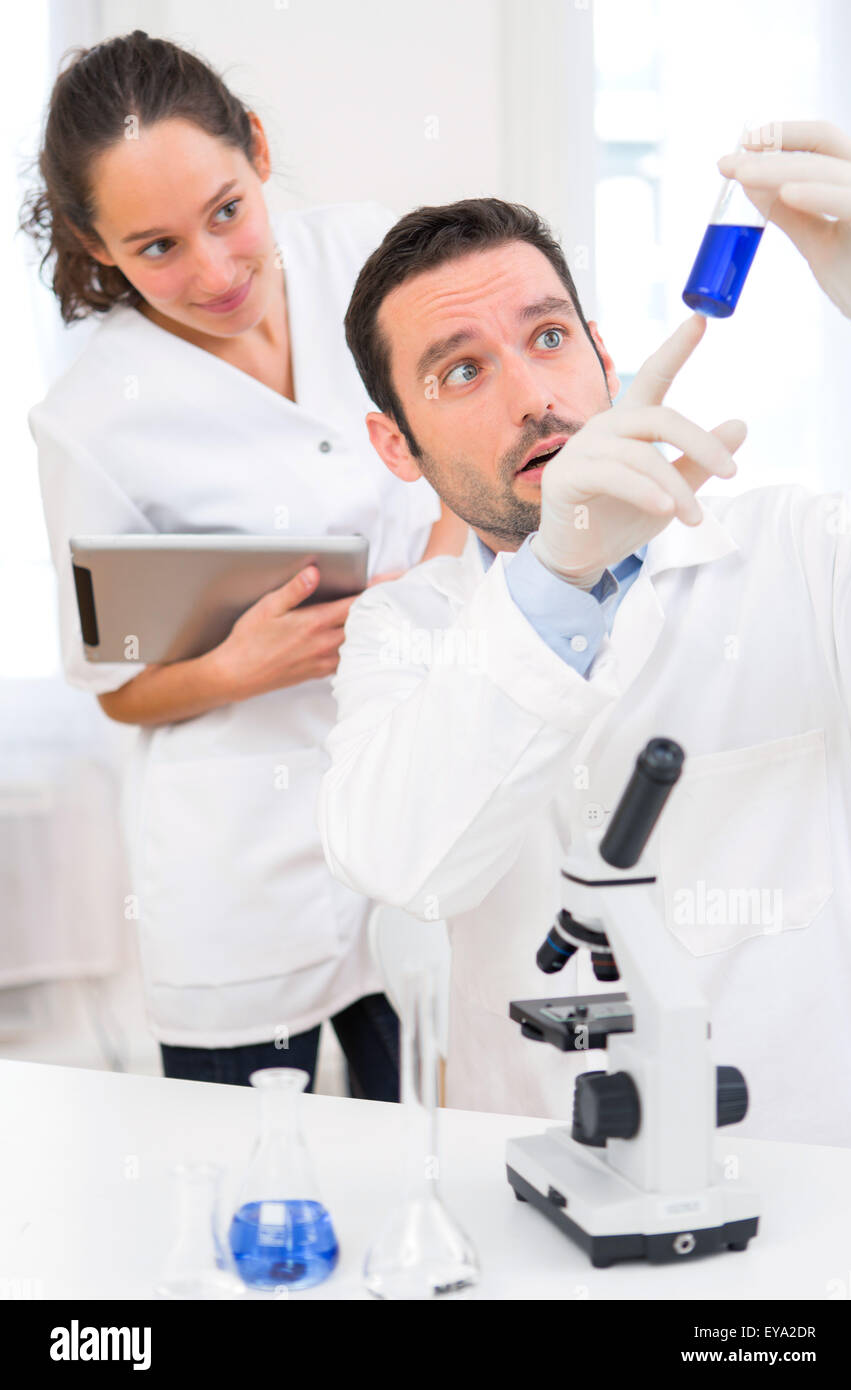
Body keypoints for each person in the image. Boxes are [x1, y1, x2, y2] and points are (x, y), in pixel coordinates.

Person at [318, 121, 851, 1146]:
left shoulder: (800, 552)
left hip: (808, 1195)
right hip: (530, 1196)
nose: (532, 394)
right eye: (460, 371)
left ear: (602, 355)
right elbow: (399, 859)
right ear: (396, 445)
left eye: (547, 337)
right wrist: (554, 579)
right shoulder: (401, 629)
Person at [24, 31, 466, 1095]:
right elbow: (120, 693)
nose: (216, 271)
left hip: (420, 797)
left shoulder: (365, 257)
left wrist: (432, 589)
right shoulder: (90, 422)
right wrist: (246, 664)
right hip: (240, 860)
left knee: (420, 1153)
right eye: (157, 246)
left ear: (257, 150)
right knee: (241, 1184)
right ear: (96, 243)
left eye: (226, 210)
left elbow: (463, 452)